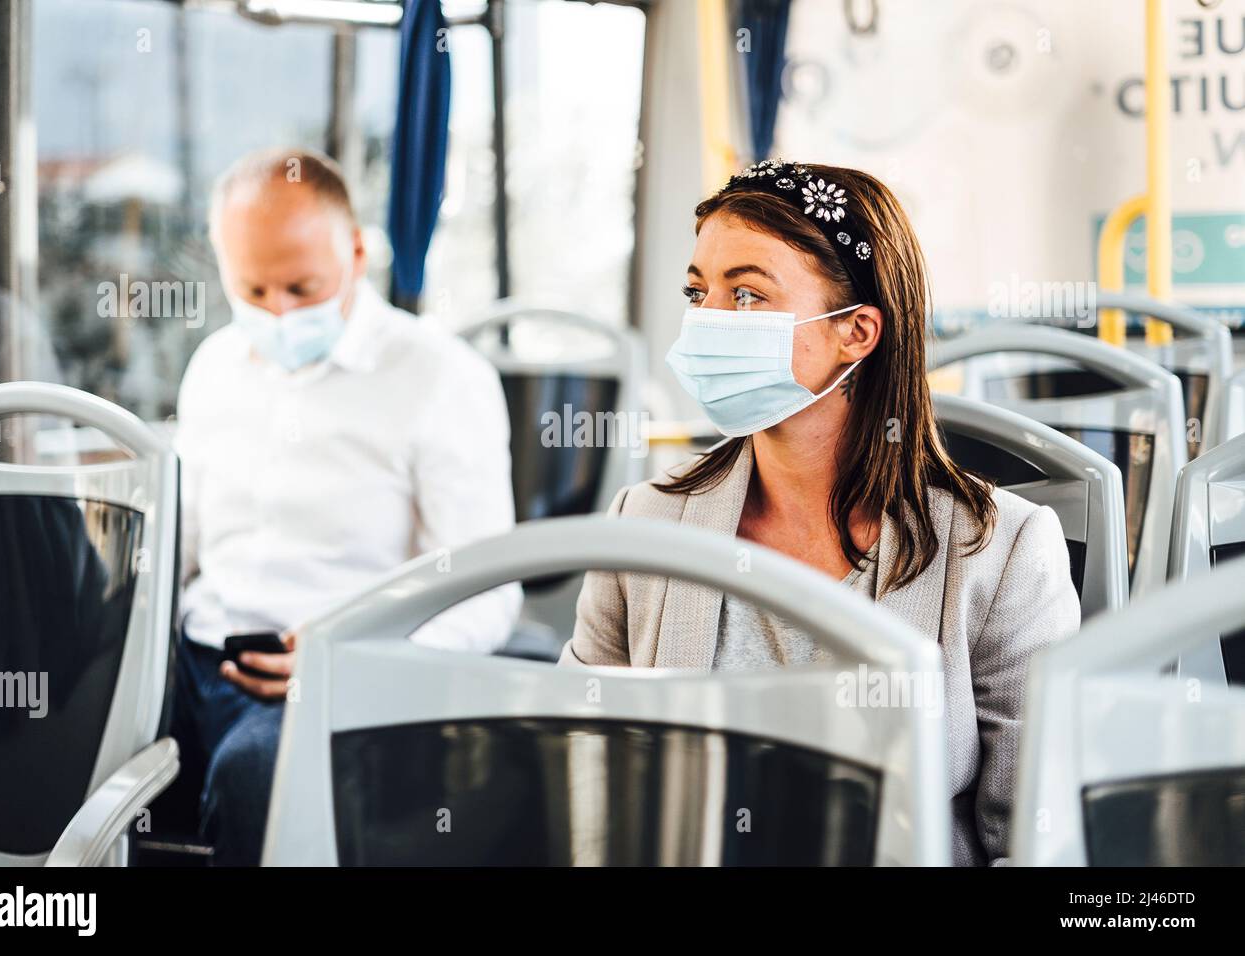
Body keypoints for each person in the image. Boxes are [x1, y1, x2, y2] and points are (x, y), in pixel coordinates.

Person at [558, 159, 1080, 865]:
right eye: (697, 290)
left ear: (857, 333)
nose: (707, 320)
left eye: (747, 295)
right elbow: (580, 787)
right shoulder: (645, 528)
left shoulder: (1000, 551)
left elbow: (1037, 841)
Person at [170, 147, 521, 865]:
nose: (279, 312)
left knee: (257, 774)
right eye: (254, 291)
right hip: (196, 656)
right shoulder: (213, 369)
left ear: (356, 252)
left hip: (345, 675)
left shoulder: (441, 379)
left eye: (302, 287)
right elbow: (184, 549)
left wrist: (354, 658)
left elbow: (487, 592)